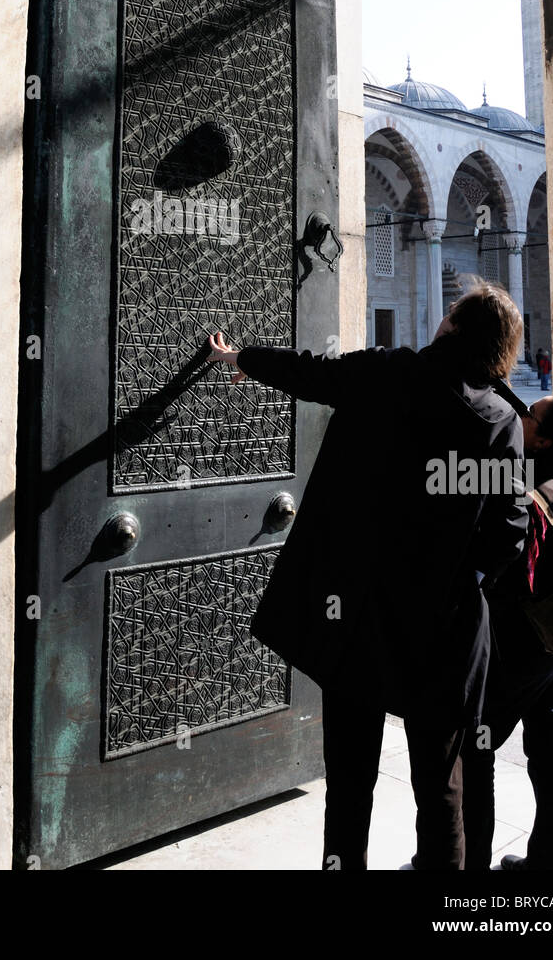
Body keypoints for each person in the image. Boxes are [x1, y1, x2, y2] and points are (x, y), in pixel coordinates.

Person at [209, 283, 529, 870]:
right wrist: (455, 576)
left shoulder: (387, 374)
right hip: (441, 632)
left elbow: (311, 375)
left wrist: (240, 359)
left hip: (355, 617)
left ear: (454, 326)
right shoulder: (498, 421)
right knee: (440, 790)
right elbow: (507, 534)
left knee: (350, 781)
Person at [461, 394, 553, 870]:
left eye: (529, 414)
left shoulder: (529, 490)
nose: (518, 414)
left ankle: (467, 861)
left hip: (526, 644)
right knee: (551, 749)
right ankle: (550, 867)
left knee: (474, 746)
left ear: (542, 438)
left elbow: (507, 576)